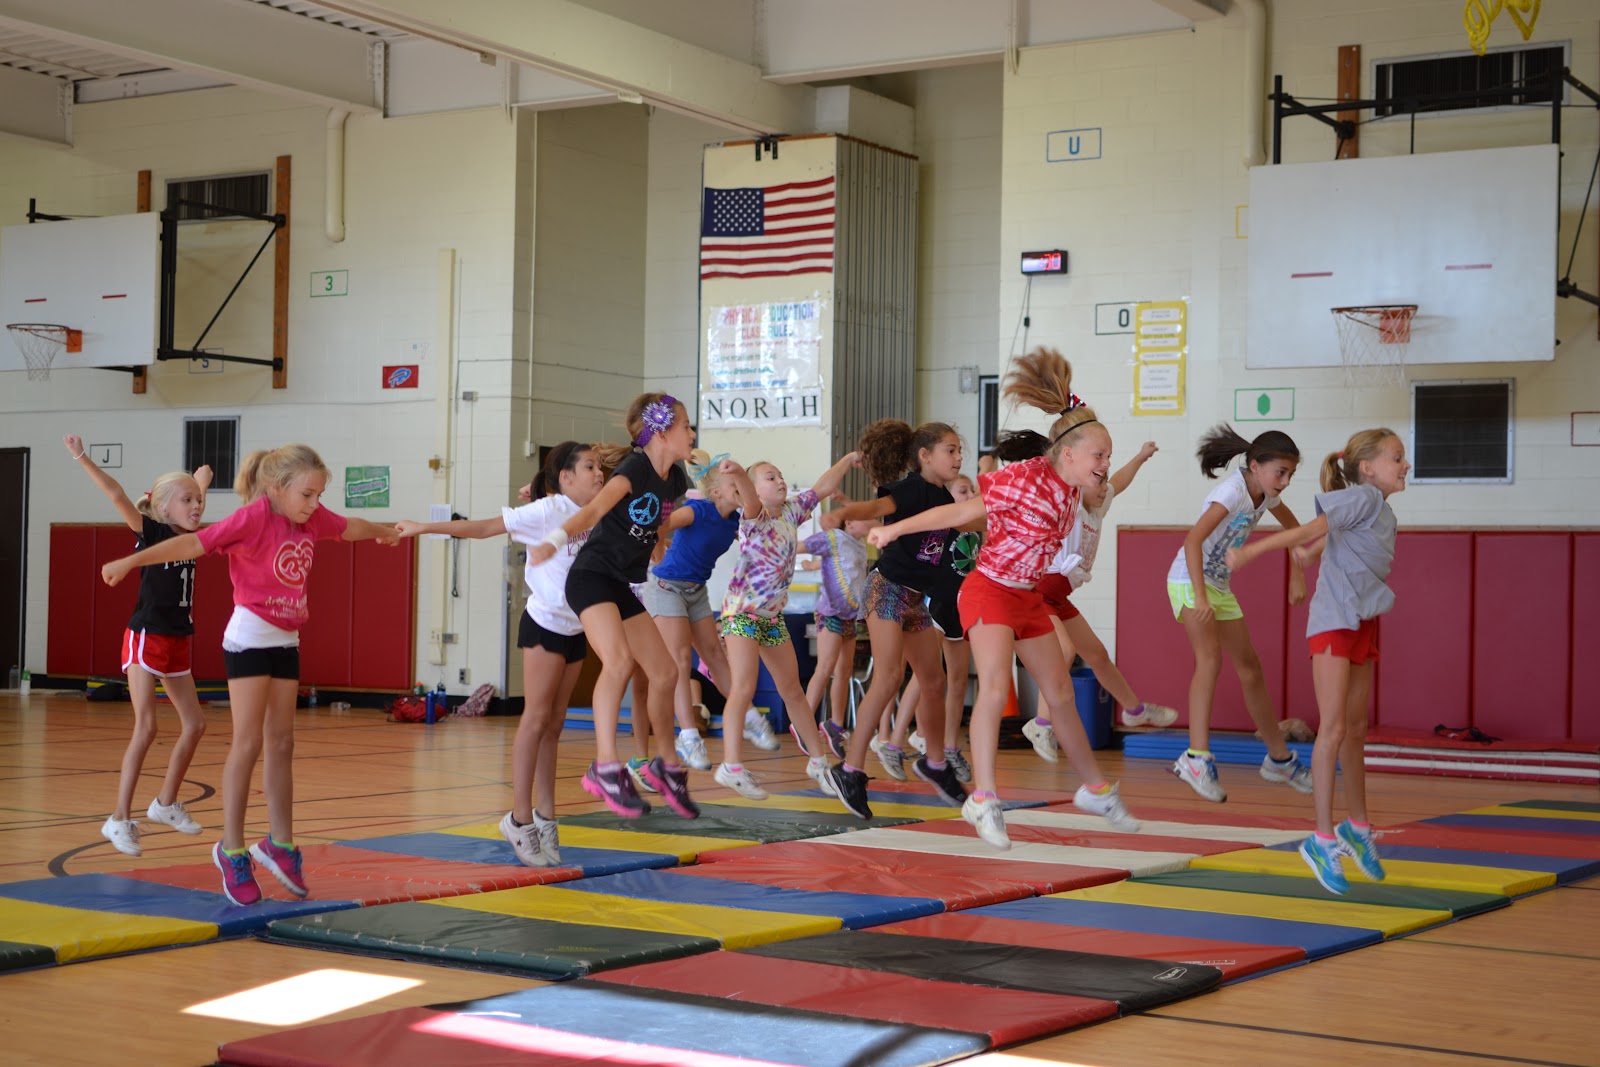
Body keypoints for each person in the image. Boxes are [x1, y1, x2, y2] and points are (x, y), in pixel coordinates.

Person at [102, 444, 397, 905]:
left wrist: (383, 530)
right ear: (277, 489)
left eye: (319, 495)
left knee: (283, 742)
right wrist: (129, 561)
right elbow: (189, 543)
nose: (314, 504)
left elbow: (349, 527)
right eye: (307, 494)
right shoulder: (253, 517)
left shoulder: (310, 519)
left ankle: (280, 845)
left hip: (286, 639)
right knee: (249, 742)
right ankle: (232, 849)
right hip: (249, 638)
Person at [869, 348, 1140, 848]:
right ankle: (984, 799)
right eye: (1099, 455)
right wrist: (894, 531)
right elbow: (956, 516)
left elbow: (1109, 488)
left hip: (1027, 597)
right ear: (1068, 454)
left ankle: (1096, 789)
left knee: (1059, 694)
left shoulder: (1074, 489)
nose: (1106, 464)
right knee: (993, 688)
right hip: (988, 590)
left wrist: (1133, 461)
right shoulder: (1024, 479)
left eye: (1108, 455)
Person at [395, 441, 606, 868]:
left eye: (600, 468)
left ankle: (547, 816)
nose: (599, 474)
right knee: (535, 719)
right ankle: (519, 818)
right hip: (545, 625)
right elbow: (485, 528)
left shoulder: (597, 512)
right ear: (565, 477)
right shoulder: (546, 511)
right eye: (589, 467)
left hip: (576, 628)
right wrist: (424, 527)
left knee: (555, 725)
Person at [1227, 429, 1409, 894]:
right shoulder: (1364, 496)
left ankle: (1358, 827)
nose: (1405, 465)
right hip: (1333, 623)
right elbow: (1308, 530)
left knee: (1354, 730)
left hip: (1362, 622)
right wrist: (1253, 551)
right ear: (1367, 467)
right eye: (1396, 457)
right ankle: (1322, 838)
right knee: (1331, 730)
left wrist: (1305, 559)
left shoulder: (1380, 511)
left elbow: (1330, 546)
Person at [530, 393, 697, 818]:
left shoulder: (675, 480)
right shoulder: (633, 469)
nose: (692, 433)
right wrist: (552, 540)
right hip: (589, 579)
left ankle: (664, 764)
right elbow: (593, 514)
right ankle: (605, 766)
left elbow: (656, 521)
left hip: (620, 583)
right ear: (661, 431)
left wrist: (658, 544)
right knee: (619, 663)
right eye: (686, 426)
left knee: (665, 672)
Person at [66, 435, 212, 856]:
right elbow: (115, 493)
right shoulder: (150, 530)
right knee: (146, 727)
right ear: (165, 507)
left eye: (199, 501)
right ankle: (118, 819)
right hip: (146, 636)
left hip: (179, 639)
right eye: (188, 501)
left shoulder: (193, 535)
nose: (197, 507)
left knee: (196, 725)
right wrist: (82, 457)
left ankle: (165, 804)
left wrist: (199, 482)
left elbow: (193, 493)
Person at [823, 420, 969, 819]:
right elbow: (877, 509)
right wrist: (846, 512)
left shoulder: (948, 500)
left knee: (933, 680)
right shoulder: (909, 489)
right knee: (888, 676)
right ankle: (850, 770)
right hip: (886, 590)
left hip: (915, 600)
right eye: (950, 450)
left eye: (959, 451)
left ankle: (935, 763)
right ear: (925, 456)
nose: (958, 458)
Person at [1167, 425, 1313, 803]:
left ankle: (1279, 759)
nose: (1285, 481)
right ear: (1255, 465)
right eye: (1280, 472)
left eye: (1291, 474)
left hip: (1218, 586)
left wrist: (1297, 575)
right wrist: (1200, 597)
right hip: (1190, 579)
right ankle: (1196, 758)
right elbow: (1192, 540)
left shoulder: (1265, 495)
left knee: (1251, 668)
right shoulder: (1232, 492)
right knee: (1210, 660)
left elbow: (1296, 532)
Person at [713, 453, 859, 799]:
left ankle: (819, 762)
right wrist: (738, 472)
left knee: (793, 690)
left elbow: (822, 487)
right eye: (769, 477)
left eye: (780, 476)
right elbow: (749, 494)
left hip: (772, 617)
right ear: (752, 490)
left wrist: (848, 459)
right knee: (743, 686)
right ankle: (730, 766)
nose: (779, 481)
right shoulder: (754, 516)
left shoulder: (792, 512)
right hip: (741, 614)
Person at [1035, 440, 1178, 737]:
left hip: (1059, 595)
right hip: (1038, 593)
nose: (1104, 489)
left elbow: (1119, 481)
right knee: (1064, 650)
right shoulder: (1070, 505)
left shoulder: (1097, 508)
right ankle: (1041, 724)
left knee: (1097, 655)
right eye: (1098, 482)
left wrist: (1140, 457)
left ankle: (1135, 710)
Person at [641, 450, 755, 777]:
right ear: (717, 491)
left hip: (696, 589)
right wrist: (658, 555)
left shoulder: (733, 519)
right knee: (679, 659)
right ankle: (688, 735)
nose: (741, 486)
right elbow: (659, 526)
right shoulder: (697, 510)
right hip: (667, 586)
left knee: (715, 655)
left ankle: (745, 713)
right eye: (734, 482)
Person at [889, 472, 980, 782]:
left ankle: (951, 746)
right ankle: (896, 740)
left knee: (957, 679)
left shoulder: (975, 527)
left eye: (972, 491)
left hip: (962, 606)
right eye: (964, 491)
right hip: (936, 602)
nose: (970, 496)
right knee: (926, 675)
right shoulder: (941, 525)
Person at [799, 508, 873, 759]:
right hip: (830, 613)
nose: (873, 522)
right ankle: (804, 721)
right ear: (850, 522)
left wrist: (815, 564)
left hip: (850, 616)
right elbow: (801, 546)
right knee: (826, 666)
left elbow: (841, 563)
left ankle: (835, 725)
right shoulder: (835, 538)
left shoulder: (860, 547)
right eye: (868, 518)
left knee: (844, 671)